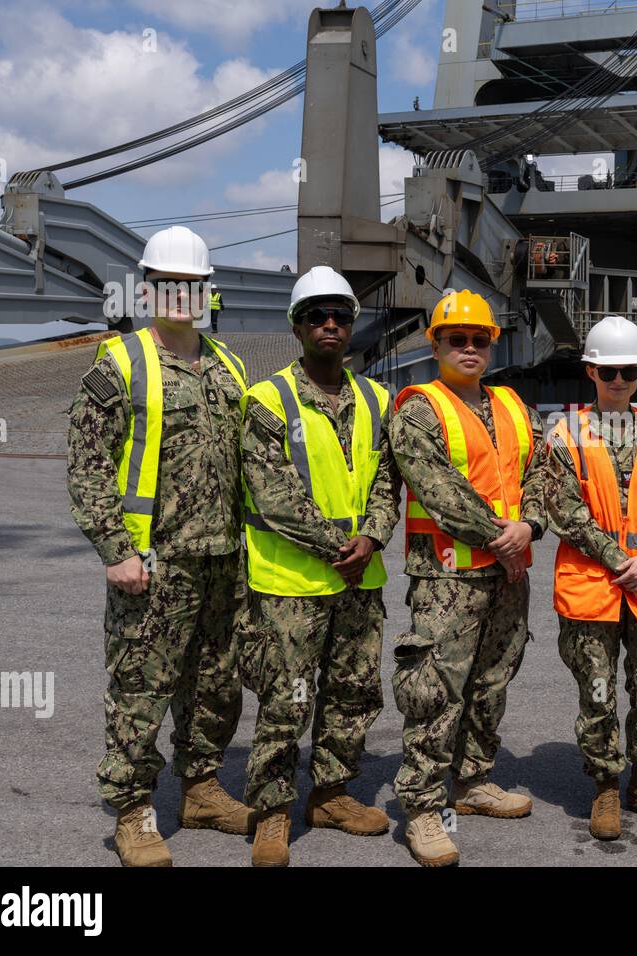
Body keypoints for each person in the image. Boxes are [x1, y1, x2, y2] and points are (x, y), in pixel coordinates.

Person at [67, 225, 253, 866]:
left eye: (192, 284)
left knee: (215, 685)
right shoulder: (118, 363)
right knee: (140, 691)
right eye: (168, 283)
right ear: (148, 288)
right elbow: (86, 465)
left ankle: (201, 788)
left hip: (223, 562)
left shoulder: (229, 367)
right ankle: (133, 811)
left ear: (206, 291)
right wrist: (115, 549)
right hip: (153, 564)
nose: (181, 294)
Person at [239, 266, 399, 866]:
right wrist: (344, 545)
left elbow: (388, 481)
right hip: (293, 583)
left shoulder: (377, 400)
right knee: (287, 699)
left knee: (353, 691)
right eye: (315, 316)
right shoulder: (267, 400)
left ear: (352, 325)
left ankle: (331, 793)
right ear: (297, 327)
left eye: (338, 315)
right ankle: (273, 811)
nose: (328, 325)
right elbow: (272, 494)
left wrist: (374, 536)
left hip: (360, 580)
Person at [389, 289, 548, 866]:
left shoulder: (511, 402)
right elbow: (440, 492)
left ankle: (473, 779)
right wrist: (503, 539)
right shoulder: (418, 409)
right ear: (435, 345)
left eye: (480, 339)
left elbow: (540, 476)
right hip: (449, 578)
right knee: (436, 689)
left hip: (508, 574)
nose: (470, 347)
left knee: (492, 680)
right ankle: (425, 807)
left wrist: (529, 524)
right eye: (458, 339)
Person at [545, 316, 637, 841]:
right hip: (592, 587)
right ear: (590, 372)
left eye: (627, 370)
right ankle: (605, 784)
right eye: (607, 371)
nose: (618, 380)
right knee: (597, 693)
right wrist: (616, 557)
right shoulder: (565, 434)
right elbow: (564, 508)